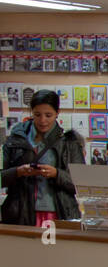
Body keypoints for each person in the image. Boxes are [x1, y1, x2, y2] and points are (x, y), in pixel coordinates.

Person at [1, 89, 84, 227]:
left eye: (48, 115)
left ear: (57, 113)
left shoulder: (69, 142)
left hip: (58, 213)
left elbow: (81, 184)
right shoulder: (14, 141)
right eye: (37, 115)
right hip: (20, 213)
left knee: (55, 248)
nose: (42, 120)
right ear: (31, 112)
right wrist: (18, 172)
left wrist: (56, 174)